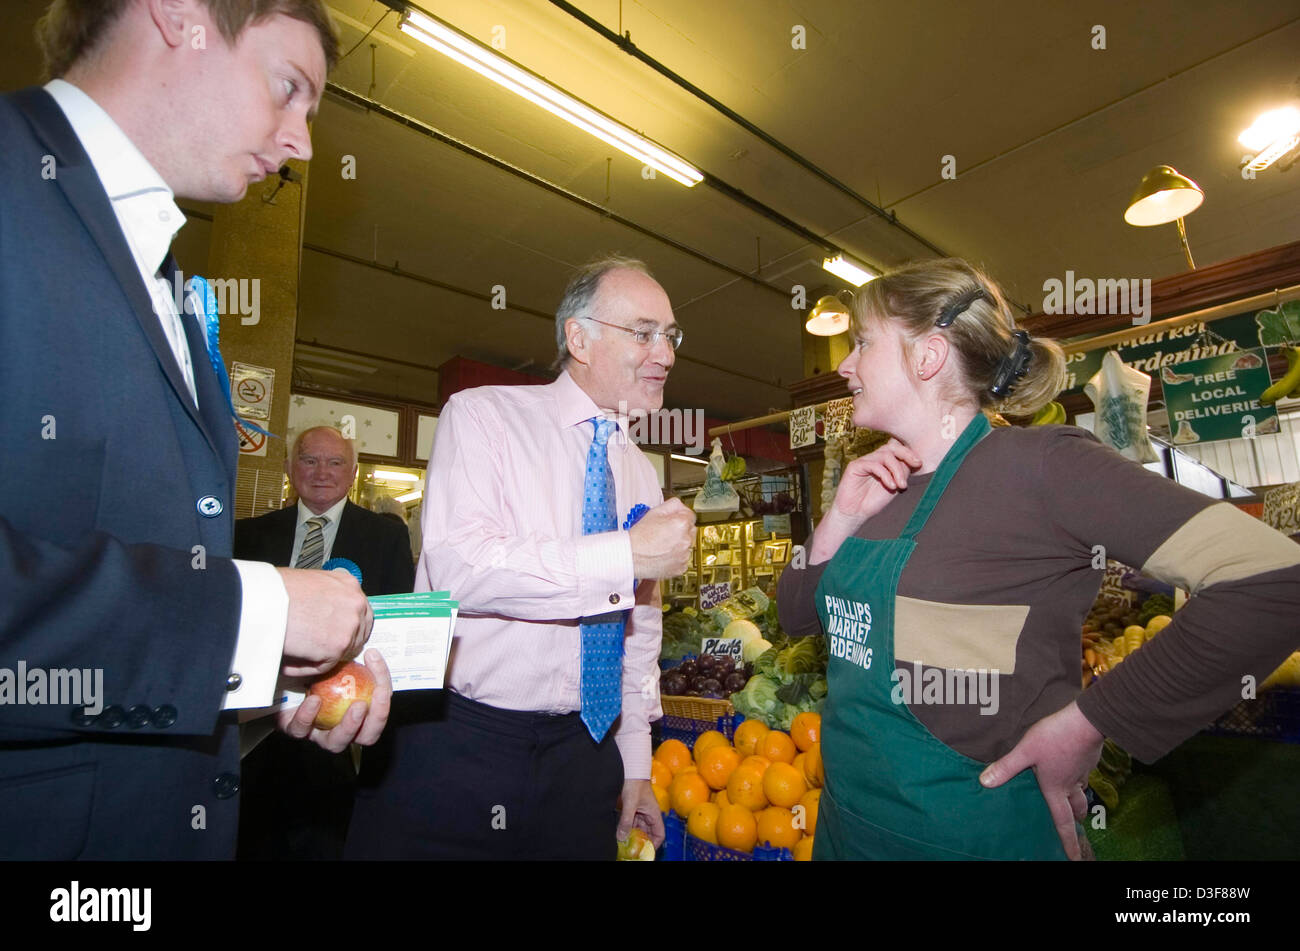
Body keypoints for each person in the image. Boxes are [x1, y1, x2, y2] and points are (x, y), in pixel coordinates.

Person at [0, 0, 390, 860]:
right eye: (288, 88)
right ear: (179, 15)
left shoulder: (173, 282)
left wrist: (267, 668)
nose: (303, 144)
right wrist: (254, 612)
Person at [777, 258, 1300, 861]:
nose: (844, 364)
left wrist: (1091, 721)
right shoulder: (876, 483)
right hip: (848, 831)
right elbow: (797, 618)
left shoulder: (1043, 467)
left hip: (972, 838)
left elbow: (1274, 579)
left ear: (927, 356)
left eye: (862, 343)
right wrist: (840, 518)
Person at [346, 256, 697, 860]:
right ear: (578, 337)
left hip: (584, 753)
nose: (664, 353)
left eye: (671, 336)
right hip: (458, 742)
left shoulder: (642, 473)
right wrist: (625, 553)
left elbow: (640, 630)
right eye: (644, 332)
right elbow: (463, 569)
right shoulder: (482, 418)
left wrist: (635, 759)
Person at [234, 425, 415, 859]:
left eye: (335, 462)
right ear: (290, 468)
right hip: (257, 721)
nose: (321, 472)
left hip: (341, 725)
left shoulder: (385, 537)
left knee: (325, 839)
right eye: (309, 460)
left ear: (352, 472)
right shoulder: (246, 534)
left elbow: (395, 621)